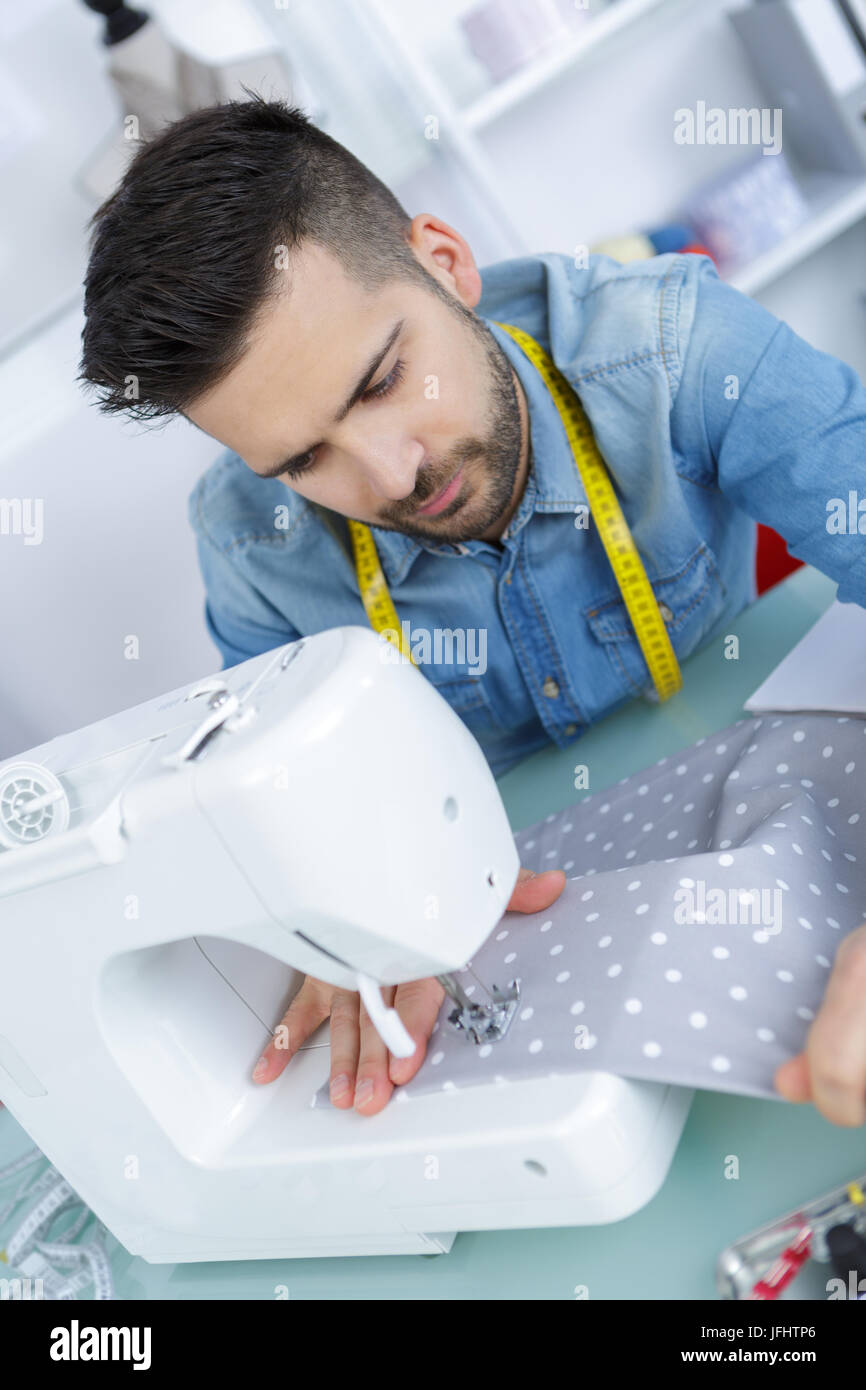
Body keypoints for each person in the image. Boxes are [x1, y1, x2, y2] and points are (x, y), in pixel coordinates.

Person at [78, 96, 866, 1126]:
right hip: (535, 903)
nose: (391, 473)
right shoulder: (249, 544)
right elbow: (299, 802)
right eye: (304, 458)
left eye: (380, 382)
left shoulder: (674, 345)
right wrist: (360, 925)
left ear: (445, 261)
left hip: (764, 787)